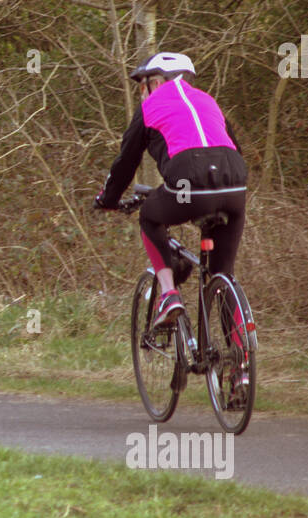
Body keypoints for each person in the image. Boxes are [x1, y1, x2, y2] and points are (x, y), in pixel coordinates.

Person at [94, 52, 248, 328]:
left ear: (158, 83)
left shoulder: (150, 107)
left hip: (189, 180)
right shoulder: (207, 100)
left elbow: (126, 161)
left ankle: (169, 295)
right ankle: (240, 363)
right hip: (234, 182)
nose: (143, 93)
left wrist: (109, 199)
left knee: (150, 216)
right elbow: (234, 146)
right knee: (223, 274)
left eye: (144, 85)